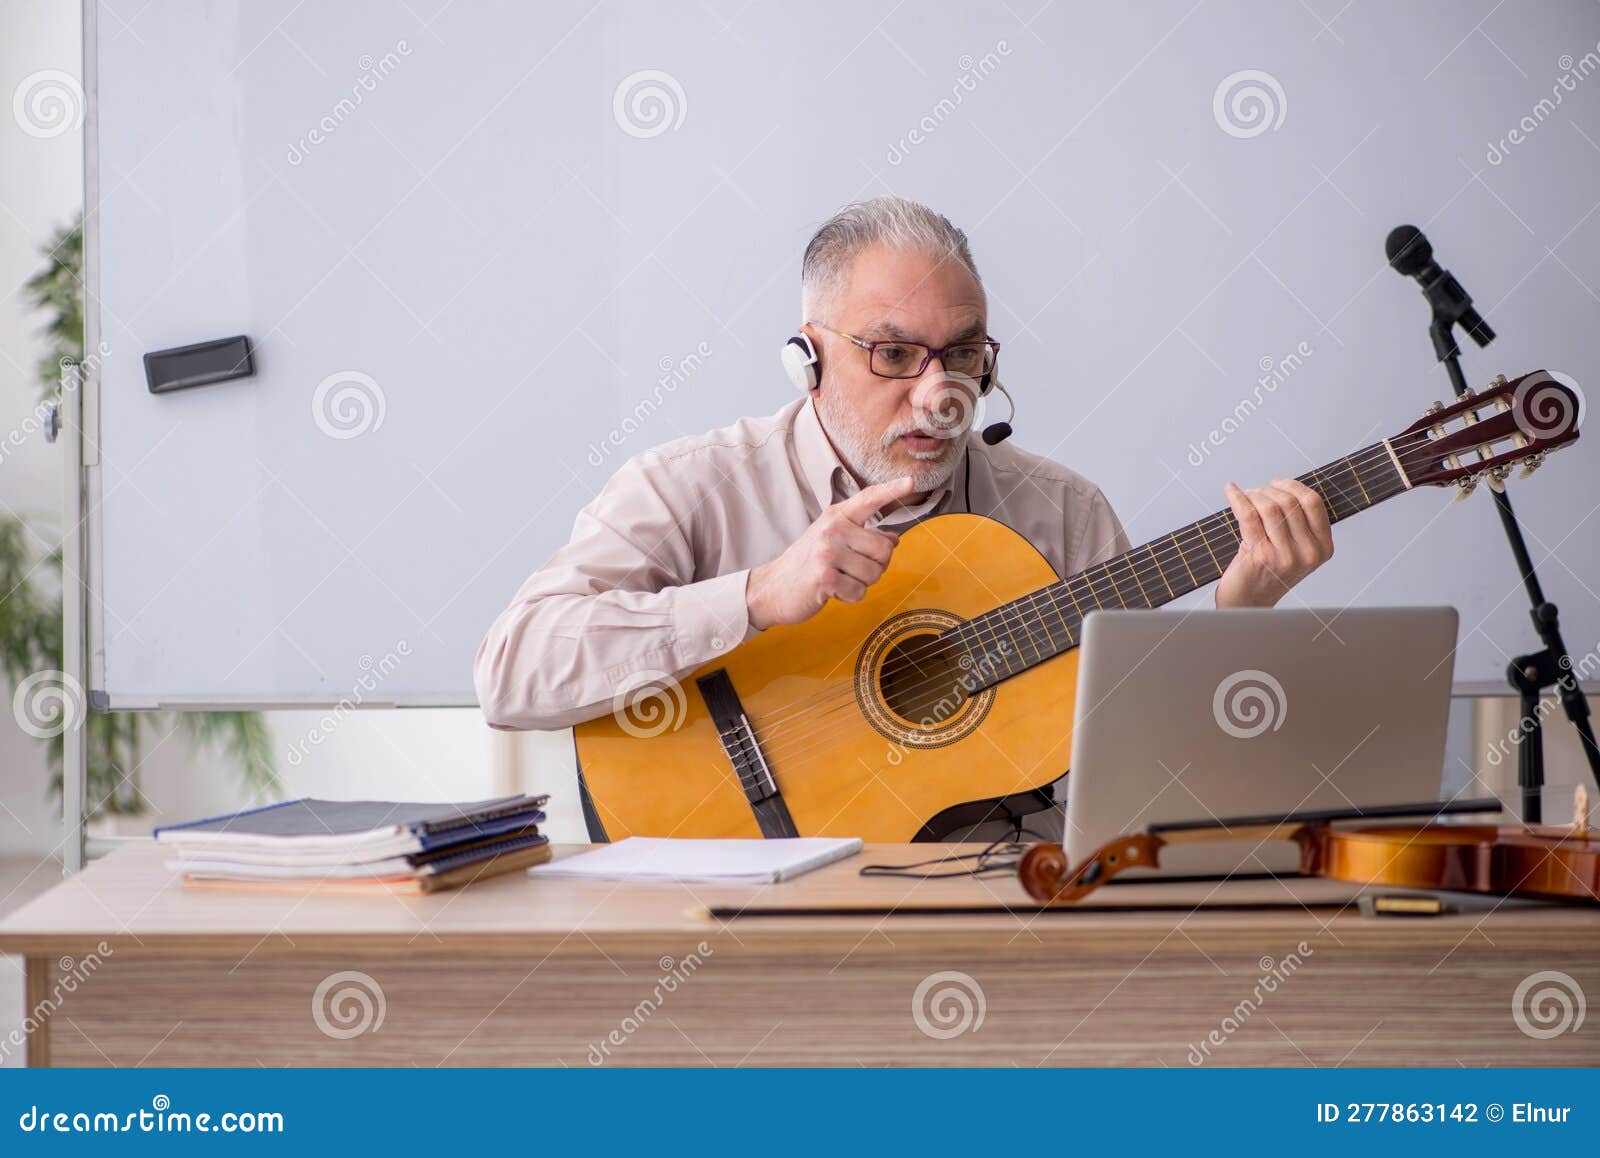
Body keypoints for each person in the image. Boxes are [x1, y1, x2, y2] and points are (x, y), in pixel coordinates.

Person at [474, 196, 1333, 838]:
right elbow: (512, 674)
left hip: (996, 923)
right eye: (892, 354)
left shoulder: (1063, 513)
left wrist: (1240, 622)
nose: (938, 395)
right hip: (734, 920)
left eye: (963, 354)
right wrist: (757, 596)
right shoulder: (690, 486)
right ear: (805, 355)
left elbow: (1132, 811)